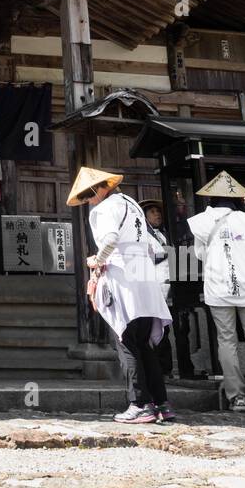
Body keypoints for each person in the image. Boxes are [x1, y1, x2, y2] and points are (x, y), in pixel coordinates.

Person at [69, 167, 174, 424]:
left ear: (101, 188)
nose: (88, 201)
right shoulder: (132, 205)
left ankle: (139, 403)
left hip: (123, 277)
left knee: (126, 341)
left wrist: (97, 261)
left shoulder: (104, 209)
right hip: (145, 277)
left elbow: (111, 239)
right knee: (144, 345)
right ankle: (161, 402)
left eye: (89, 195)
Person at [188, 172, 245, 414]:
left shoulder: (201, 221)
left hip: (218, 286)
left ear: (210, 199)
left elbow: (199, 255)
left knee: (226, 341)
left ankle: (237, 397)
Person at [141, 199, 174, 378]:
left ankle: (165, 368)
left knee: (165, 329)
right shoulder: (143, 236)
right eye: (152, 212)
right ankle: (156, 368)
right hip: (153, 286)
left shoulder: (164, 234)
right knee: (154, 328)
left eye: (158, 211)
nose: (157, 214)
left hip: (168, 286)